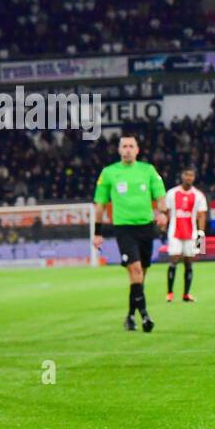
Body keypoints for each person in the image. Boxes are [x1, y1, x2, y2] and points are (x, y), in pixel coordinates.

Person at [92, 134, 166, 332]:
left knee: (140, 276)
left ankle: (130, 316)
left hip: (146, 227)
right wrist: (97, 232)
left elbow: (160, 195)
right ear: (118, 150)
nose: (127, 150)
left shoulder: (148, 170)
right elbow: (99, 204)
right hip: (124, 228)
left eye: (131, 146)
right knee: (135, 271)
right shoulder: (109, 173)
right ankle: (146, 317)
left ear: (137, 150)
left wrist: (162, 213)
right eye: (124, 146)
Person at [164, 168, 208, 303]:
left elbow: (201, 216)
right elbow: (166, 212)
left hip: (191, 233)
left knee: (189, 263)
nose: (189, 177)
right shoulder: (172, 193)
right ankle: (170, 293)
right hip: (175, 233)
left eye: (191, 175)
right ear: (181, 176)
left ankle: (186, 294)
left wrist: (200, 239)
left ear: (194, 177)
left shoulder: (199, 195)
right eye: (186, 175)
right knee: (174, 260)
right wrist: (163, 228)